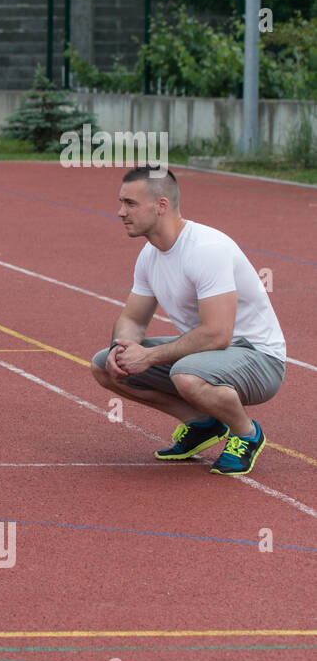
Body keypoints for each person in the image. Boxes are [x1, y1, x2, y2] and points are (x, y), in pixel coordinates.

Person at [89, 167, 285, 475]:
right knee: (105, 365)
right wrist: (120, 346)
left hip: (259, 357)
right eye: (121, 202)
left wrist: (149, 356)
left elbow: (219, 334)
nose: (120, 212)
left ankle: (246, 434)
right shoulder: (150, 255)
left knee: (186, 374)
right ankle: (204, 424)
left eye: (130, 203)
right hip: (209, 356)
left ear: (161, 206)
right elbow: (133, 318)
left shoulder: (206, 249)